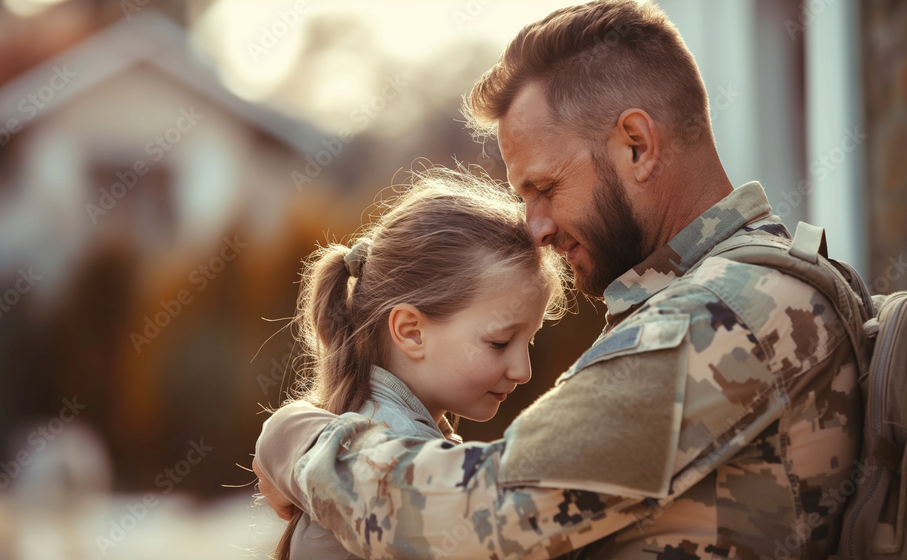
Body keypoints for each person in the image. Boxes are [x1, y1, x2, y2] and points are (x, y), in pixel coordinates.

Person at [253, 2, 864, 558]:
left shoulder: (716, 316)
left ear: (636, 145)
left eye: (545, 188)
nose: (536, 228)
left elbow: (481, 513)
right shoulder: (754, 282)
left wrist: (303, 445)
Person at [265, 168, 569, 559]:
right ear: (411, 332)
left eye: (529, 340)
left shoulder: (365, 435)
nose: (522, 370)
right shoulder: (391, 452)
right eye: (499, 342)